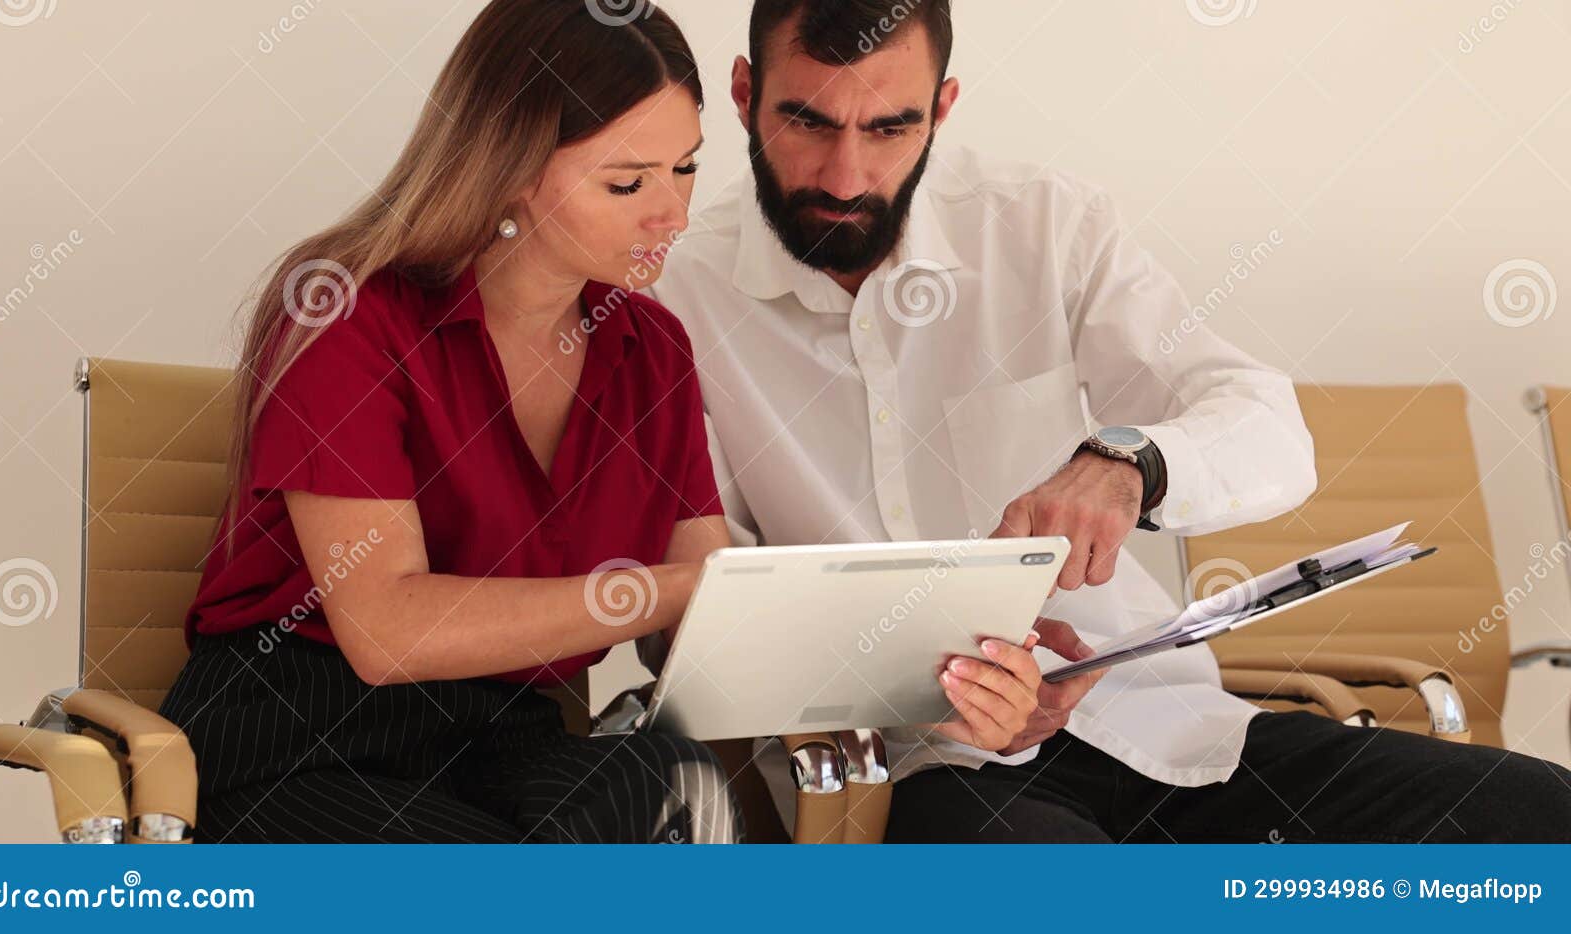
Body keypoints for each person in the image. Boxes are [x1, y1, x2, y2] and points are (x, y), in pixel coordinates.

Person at [647, 0, 1571, 842]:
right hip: (921, 774)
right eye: (808, 121)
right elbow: (698, 625)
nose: (847, 175)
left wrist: (1131, 463)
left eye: (892, 127)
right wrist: (912, 687)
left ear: (945, 105)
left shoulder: (1045, 225)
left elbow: (1266, 425)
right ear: (744, 94)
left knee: (1537, 817)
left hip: (1157, 727)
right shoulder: (671, 301)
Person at [160, 0, 746, 844]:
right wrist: (675, 592)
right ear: (510, 165)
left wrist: (898, 648)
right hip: (298, 732)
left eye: (686, 169)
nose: (675, 216)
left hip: (496, 730)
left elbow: (712, 605)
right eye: (627, 182)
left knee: (673, 787)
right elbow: (385, 630)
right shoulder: (348, 313)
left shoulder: (652, 350)